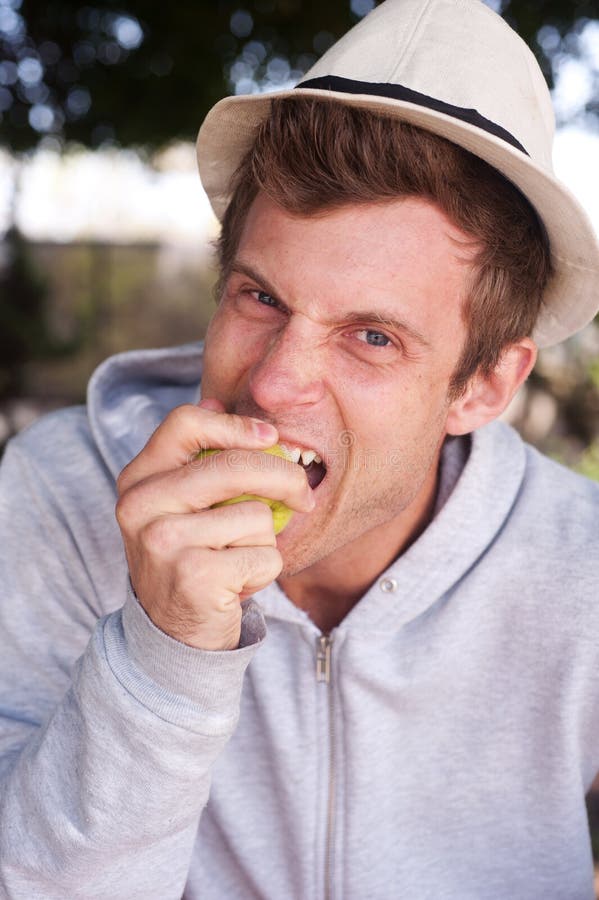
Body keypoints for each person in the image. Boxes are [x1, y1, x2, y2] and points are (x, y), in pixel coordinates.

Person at [1, 0, 599, 897]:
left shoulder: (581, 566)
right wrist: (166, 650)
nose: (276, 385)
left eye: (372, 338)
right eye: (260, 298)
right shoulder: (60, 493)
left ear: (482, 387)